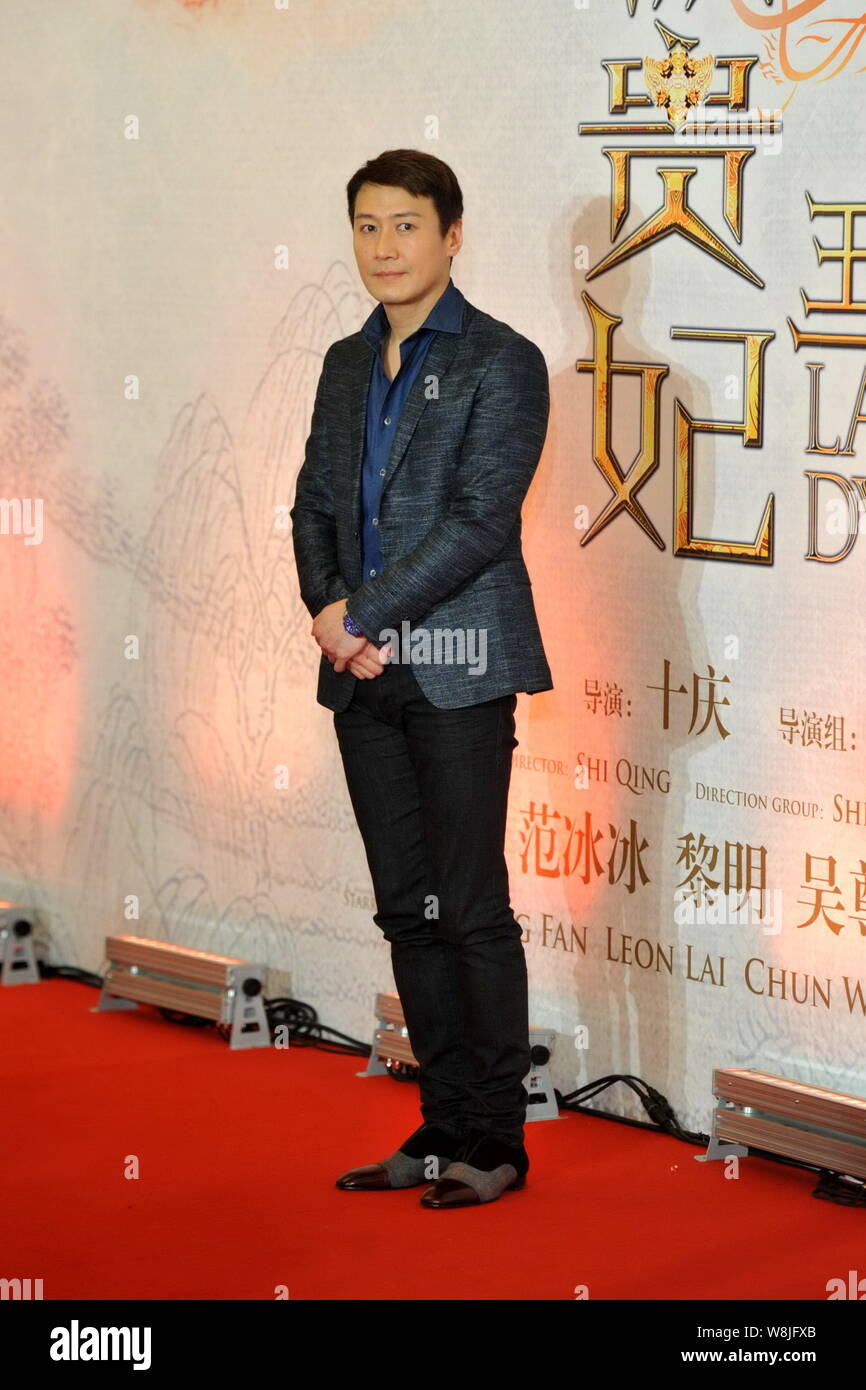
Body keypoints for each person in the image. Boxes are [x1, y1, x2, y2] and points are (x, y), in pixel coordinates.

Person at [290, 148, 553, 1207]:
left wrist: (365, 613)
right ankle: (441, 1123)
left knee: (470, 908)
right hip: (359, 673)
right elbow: (312, 500)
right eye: (365, 226)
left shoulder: (503, 359)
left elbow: (481, 522)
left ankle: (495, 1141)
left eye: (404, 225)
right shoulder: (344, 362)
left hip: (456, 666)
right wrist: (326, 613)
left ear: (451, 236)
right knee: (407, 908)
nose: (383, 247)